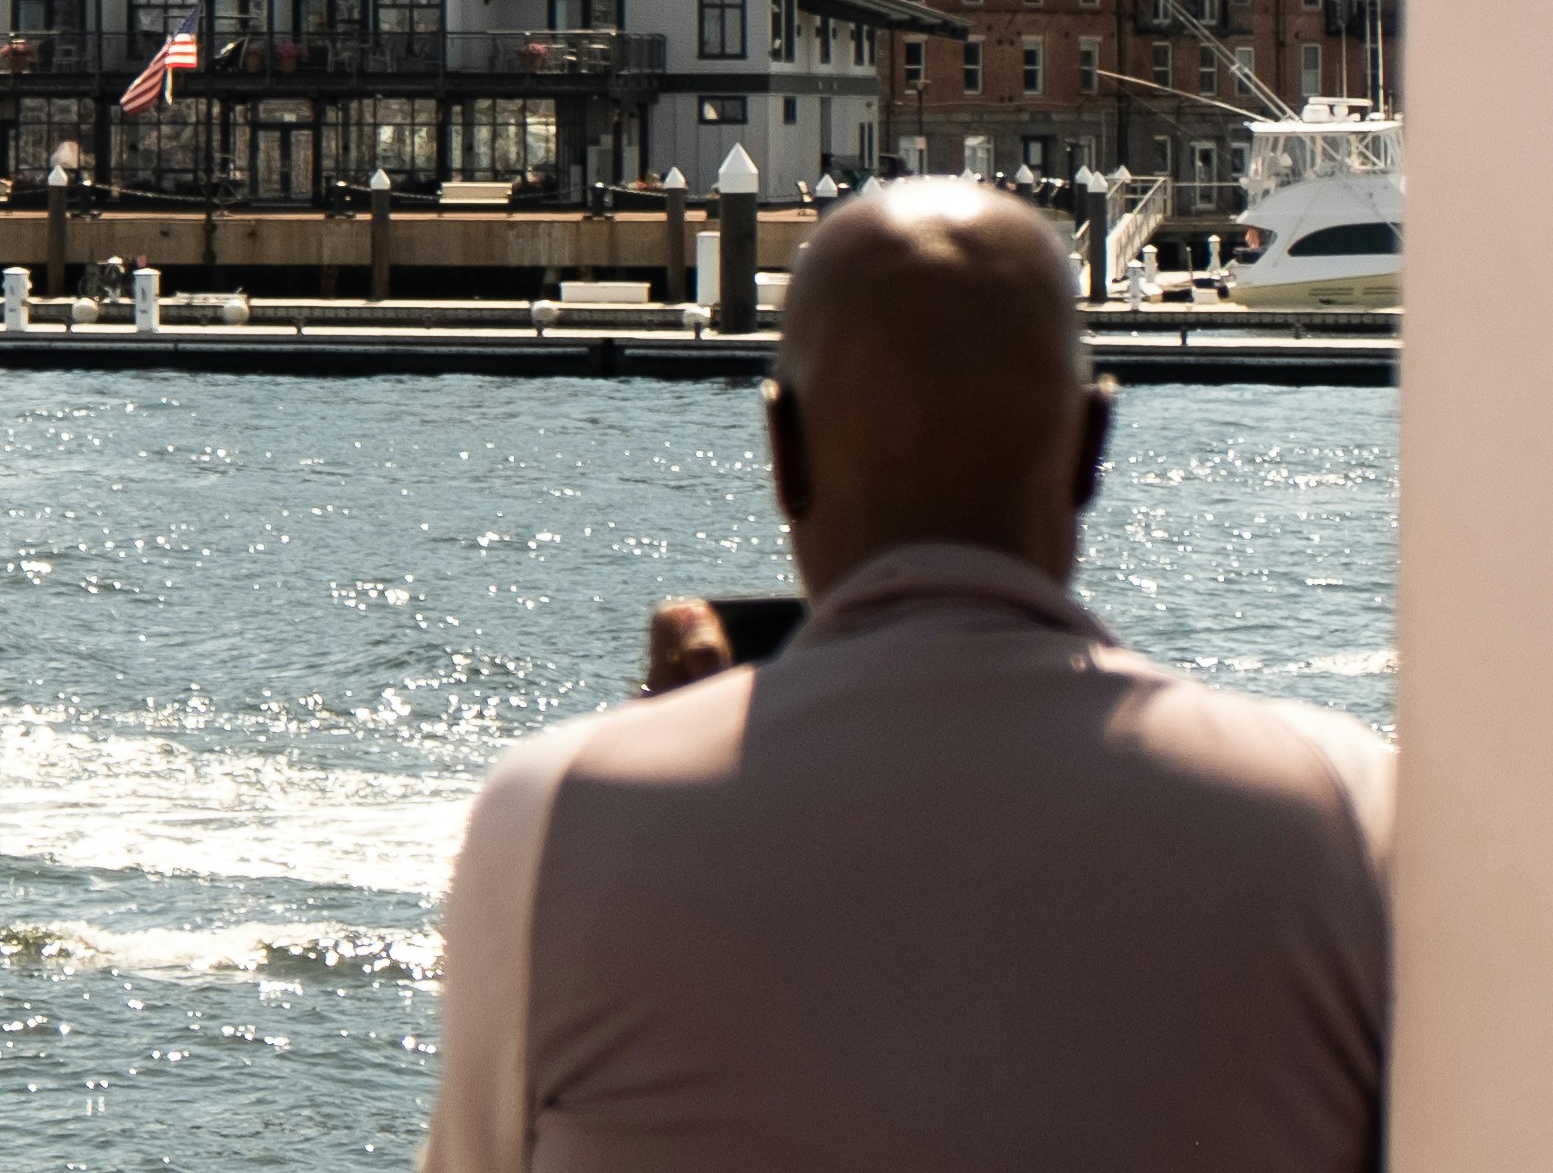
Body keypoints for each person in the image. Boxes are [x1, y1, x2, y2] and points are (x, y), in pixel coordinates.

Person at [419, 179, 1392, 1171]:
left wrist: (641, 778)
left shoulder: (558, 821)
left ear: (783, 452)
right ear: (1091, 448)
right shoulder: (1346, 816)